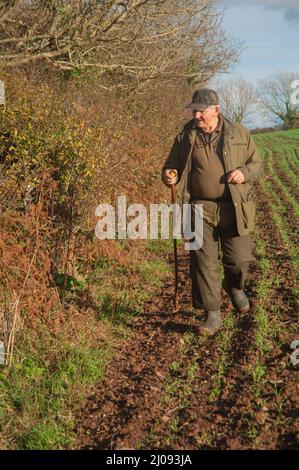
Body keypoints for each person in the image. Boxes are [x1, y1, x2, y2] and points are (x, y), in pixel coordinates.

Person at [162, 88, 262, 335]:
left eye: (201, 111)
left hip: (235, 207)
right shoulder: (185, 136)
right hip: (198, 207)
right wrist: (169, 175)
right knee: (203, 263)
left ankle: (235, 287)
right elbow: (170, 166)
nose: (196, 115)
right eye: (194, 110)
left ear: (216, 110)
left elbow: (256, 163)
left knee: (239, 259)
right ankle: (212, 314)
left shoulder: (239, 132)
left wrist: (244, 173)